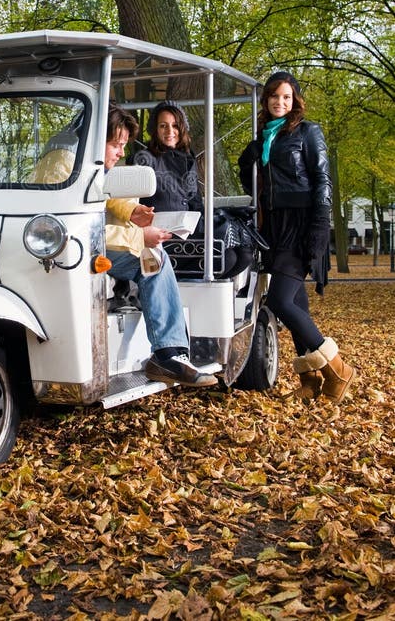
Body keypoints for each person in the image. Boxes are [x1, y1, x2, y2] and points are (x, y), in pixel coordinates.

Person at [238, 71, 355, 403]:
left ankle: (338, 369)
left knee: (279, 301)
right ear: (266, 100)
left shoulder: (308, 132)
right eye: (275, 96)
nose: (280, 102)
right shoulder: (264, 137)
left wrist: (319, 227)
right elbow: (256, 185)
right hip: (273, 226)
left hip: (301, 223)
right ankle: (310, 379)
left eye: (286, 97)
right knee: (297, 301)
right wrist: (248, 164)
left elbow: (322, 180)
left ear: (295, 100)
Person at [105, 105, 217, 388]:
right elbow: (86, 226)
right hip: (93, 245)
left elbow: (109, 195)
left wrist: (133, 211)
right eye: (116, 145)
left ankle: (172, 354)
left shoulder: (188, 159)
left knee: (157, 257)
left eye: (175, 126)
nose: (120, 153)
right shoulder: (140, 160)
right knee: (154, 258)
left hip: (163, 230)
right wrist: (141, 234)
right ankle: (169, 354)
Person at [133, 101, 252, 278]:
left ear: (182, 128)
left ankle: (198, 289)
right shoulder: (144, 159)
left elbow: (196, 205)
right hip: (163, 236)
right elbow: (133, 205)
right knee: (227, 258)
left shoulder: (187, 158)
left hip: (188, 232)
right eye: (163, 126)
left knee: (244, 255)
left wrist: (224, 211)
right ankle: (180, 284)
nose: (169, 131)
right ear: (155, 130)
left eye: (175, 125)